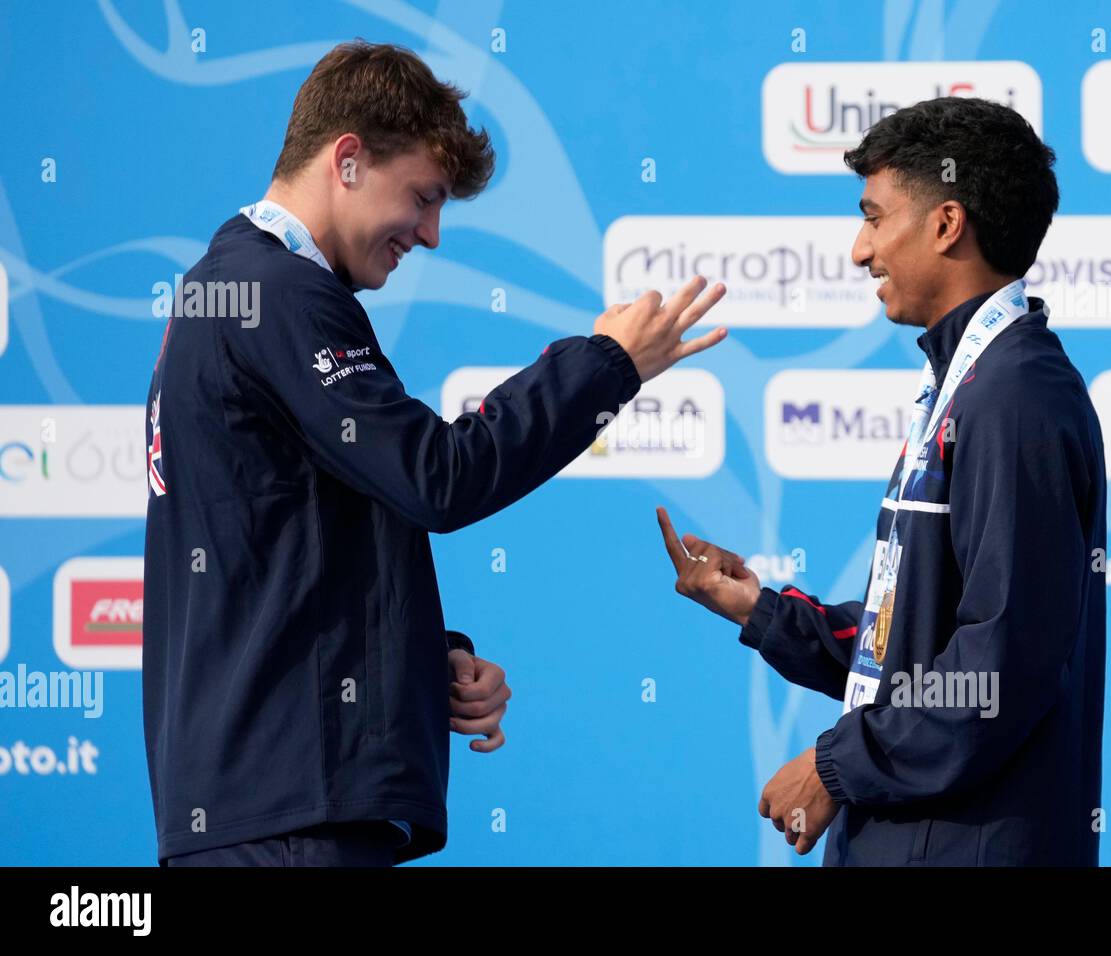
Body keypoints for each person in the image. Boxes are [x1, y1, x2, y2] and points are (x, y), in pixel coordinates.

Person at [144, 40, 726, 867]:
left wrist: (428, 661)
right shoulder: (275, 294)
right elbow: (438, 478)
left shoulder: (234, 287)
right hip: (286, 816)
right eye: (423, 197)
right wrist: (606, 364)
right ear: (347, 160)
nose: (431, 232)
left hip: (267, 802)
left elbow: (286, 547)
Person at [659, 96, 1107, 866]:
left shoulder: (1016, 395)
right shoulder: (969, 383)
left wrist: (838, 767)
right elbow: (908, 648)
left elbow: (1000, 665)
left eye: (874, 217)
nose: (860, 250)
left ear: (945, 224)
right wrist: (760, 609)